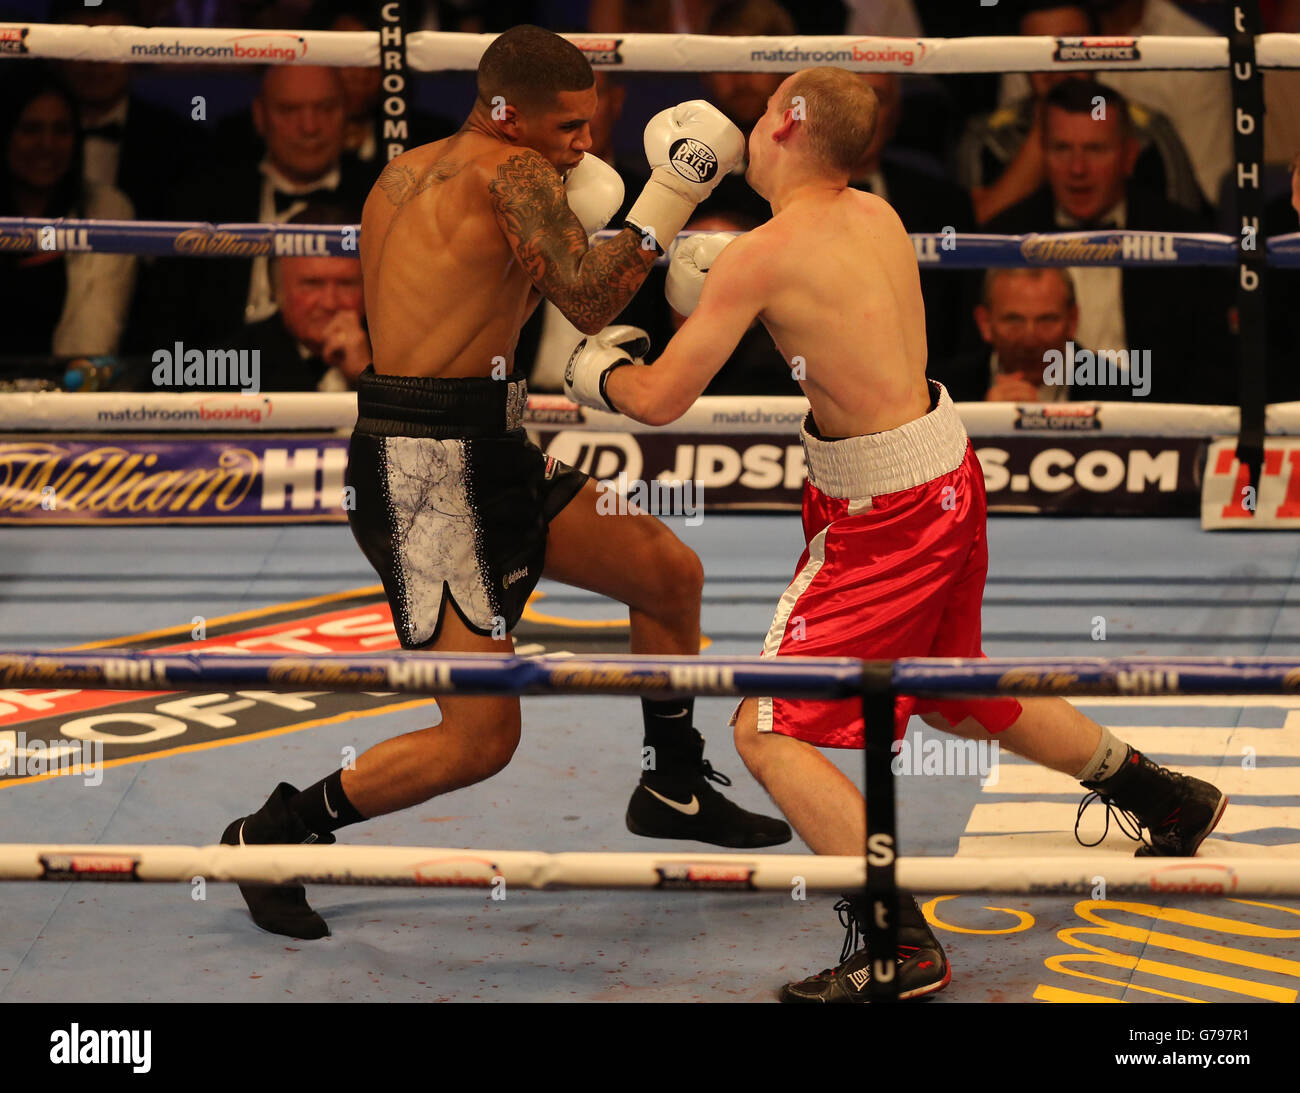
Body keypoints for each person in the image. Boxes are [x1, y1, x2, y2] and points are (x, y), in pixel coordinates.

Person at [562, 65, 1227, 1003]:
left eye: (759, 114)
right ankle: (1165, 796)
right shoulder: (875, 215)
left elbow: (662, 400)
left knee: (767, 728)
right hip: (944, 475)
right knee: (955, 689)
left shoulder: (763, 252)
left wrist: (592, 373)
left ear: (790, 123)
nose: (748, 129)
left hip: (886, 516)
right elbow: (832, 337)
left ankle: (895, 937)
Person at [221, 25, 790, 941]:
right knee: (479, 741)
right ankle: (272, 832)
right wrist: (674, 192)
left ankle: (674, 782)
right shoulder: (513, 174)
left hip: (481, 439)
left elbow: (488, 300)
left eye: (589, 122)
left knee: (666, 573)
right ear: (504, 111)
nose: (585, 142)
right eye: (568, 126)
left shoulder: (408, 174)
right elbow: (594, 297)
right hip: (425, 472)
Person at [984, 79, 1231, 404]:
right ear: (1042, 154)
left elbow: (1213, 370)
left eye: (1095, 149)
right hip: (1033, 415)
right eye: (1061, 149)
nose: (1077, 168)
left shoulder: (1184, 238)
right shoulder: (1003, 237)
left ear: (1129, 156)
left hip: (1156, 425)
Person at [0, 67, 136, 360]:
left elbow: (95, 338)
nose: (46, 145)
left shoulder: (107, 211)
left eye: (61, 131)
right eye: (31, 129)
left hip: (67, 394)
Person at [936, 267, 1140, 402]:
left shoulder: (1116, 388)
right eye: (1014, 320)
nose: (1030, 339)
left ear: (1073, 320)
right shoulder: (942, 394)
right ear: (985, 323)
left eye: (1047, 320)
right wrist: (981, 423)